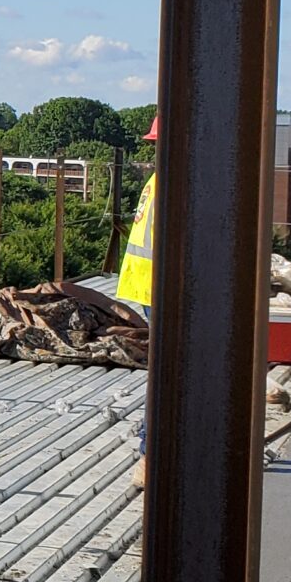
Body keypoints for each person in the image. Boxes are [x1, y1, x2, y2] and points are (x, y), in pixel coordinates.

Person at [117, 115, 157, 489]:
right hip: (159, 288)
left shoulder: (156, 181)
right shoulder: (177, 184)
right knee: (169, 375)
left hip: (146, 285)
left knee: (165, 372)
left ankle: (152, 453)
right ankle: (149, 455)